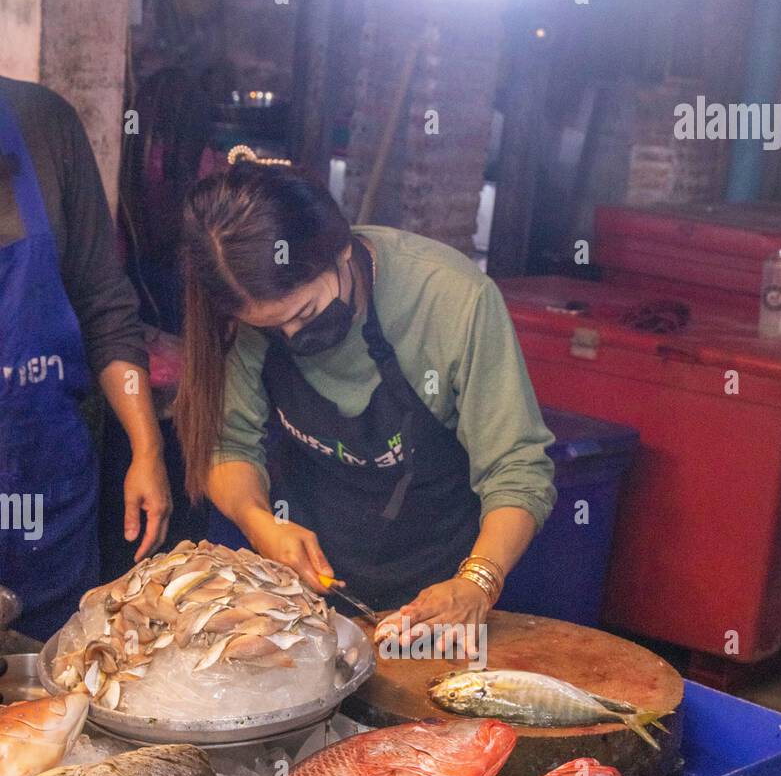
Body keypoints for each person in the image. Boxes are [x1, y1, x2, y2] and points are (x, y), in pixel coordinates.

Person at [175, 148, 555, 643]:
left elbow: (518, 467)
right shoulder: (244, 316)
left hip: (445, 590)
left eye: (306, 313)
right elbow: (228, 444)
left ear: (341, 250)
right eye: (271, 328)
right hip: (307, 599)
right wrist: (260, 523)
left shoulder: (450, 299)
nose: (292, 336)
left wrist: (478, 582)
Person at [0, 76, 171, 640]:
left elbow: (105, 305)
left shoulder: (45, 124)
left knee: (63, 688)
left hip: (49, 492)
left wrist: (146, 448)